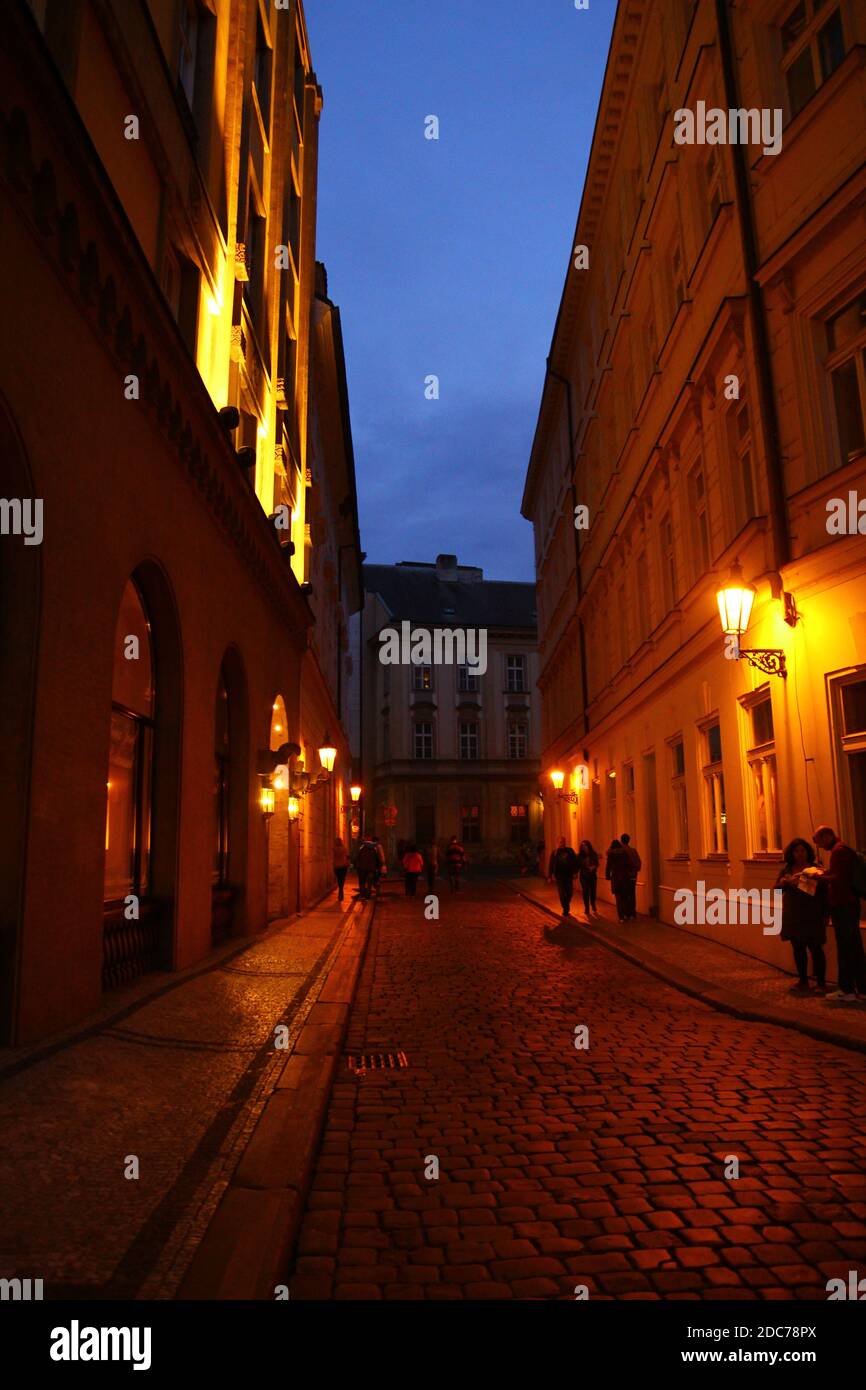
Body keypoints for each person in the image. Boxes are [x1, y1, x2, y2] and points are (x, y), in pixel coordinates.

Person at [812, 824, 866, 1001]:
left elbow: (839, 879)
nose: (820, 847)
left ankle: (846, 989)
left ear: (827, 836)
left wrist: (818, 876)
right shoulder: (844, 849)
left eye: (819, 842)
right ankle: (862, 988)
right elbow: (839, 873)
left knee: (845, 948)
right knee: (855, 947)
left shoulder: (838, 851)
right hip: (848, 904)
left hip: (843, 905)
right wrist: (826, 872)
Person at [775, 838, 827, 995]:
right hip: (793, 913)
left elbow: (822, 891)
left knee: (815, 948)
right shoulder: (787, 869)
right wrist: (783, 883)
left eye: (802, 851)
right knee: (798, 948)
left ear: (808, 852)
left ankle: (821, 982)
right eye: (796, 851)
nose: (800, 854)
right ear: (791, 853)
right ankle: (803, 980)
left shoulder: (816, 869)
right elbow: (777, 890)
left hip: (812, 913)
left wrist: (797, 883)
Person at [547, 836, 580, 916]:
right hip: (559, 876)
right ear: (557, 843)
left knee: (569, 892)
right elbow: (551, 864)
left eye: (563, 842)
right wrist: (549, 876)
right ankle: (565, 908)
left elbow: (575, 862)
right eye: (560, 842)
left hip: (568, 875)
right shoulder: (555, 853)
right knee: (562, 893)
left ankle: (566, 905)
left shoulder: (570, 851)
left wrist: (575, 872)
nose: (562, 843)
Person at [605, 838, 631, 922]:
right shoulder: (624, 853)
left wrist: (608, 876)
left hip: (615, 878)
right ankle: (626, 914)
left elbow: (608, 867)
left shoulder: (610, 855)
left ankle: (621, 917)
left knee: (618, 898)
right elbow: (628, 864)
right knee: (625, 897)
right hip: (624, 877)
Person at [620, 833, 641, 920]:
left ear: (621, 841)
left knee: (624, 895)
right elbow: (638, 863)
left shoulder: (620, 851)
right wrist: (635, 871)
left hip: (624, 876)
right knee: (632, 894)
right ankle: (632, 913)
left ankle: (626, 913)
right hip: (633, 876)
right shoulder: (633, 851)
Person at [577, 839, 599, 916]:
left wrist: (593, 867)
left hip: (592, 875)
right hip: (584, 876)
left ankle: (593, 903)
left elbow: (597, 863)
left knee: (593, 892)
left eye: (585, 845)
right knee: (585, 892)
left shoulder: (593, 854)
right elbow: (578, 865)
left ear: (588, 846)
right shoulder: (580, 855)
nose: (584, 847)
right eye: (582, 846)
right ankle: (586, 907)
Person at [333, 837, 350, 903]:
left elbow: (333, 856)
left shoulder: (334, 849)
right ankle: (341, 890)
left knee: (339, 879)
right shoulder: (344, 848)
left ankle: (340, 891)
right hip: (343, 866)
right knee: (342, 879)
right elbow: (348, 856)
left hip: (337, 867)